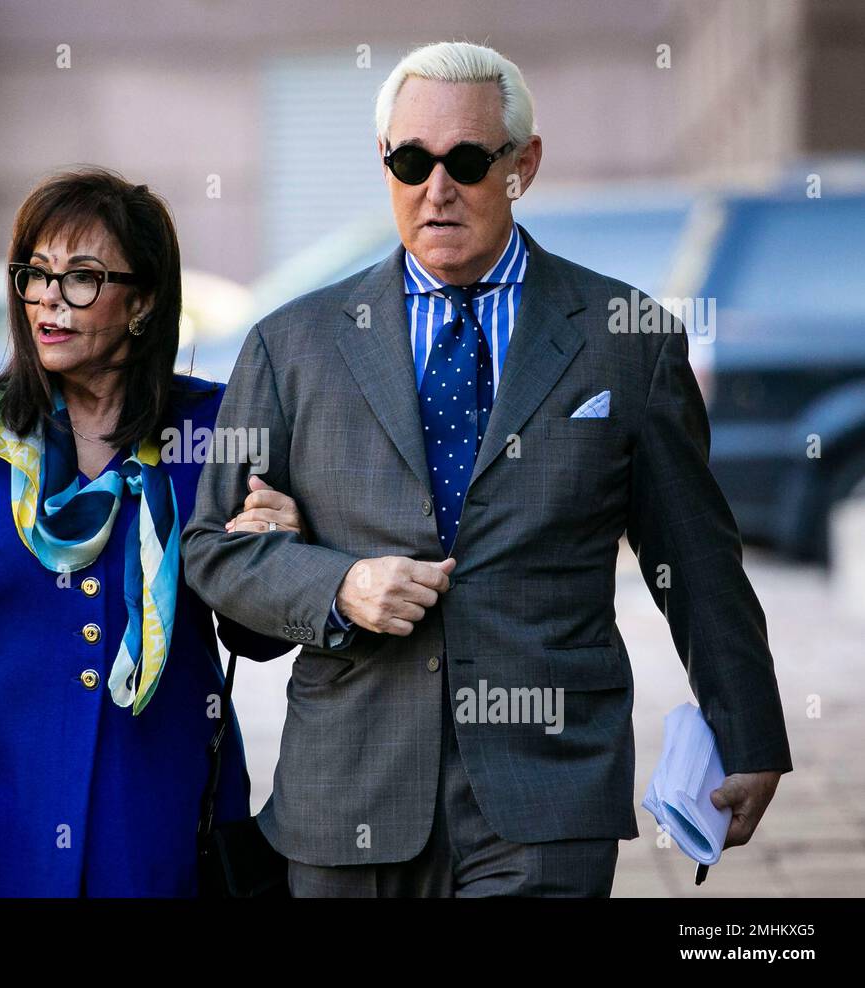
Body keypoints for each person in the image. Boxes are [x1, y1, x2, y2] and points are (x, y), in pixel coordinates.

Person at [182, 41, 792, 897]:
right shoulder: (291, 344)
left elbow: (692, 559)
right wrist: (339, 585)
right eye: (410, 160)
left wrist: (750, 731)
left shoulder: (626, 338)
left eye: (468, 160)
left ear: (523, 165)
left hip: (547, 792)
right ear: (384, 165)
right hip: (347, 793)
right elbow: (211, 548)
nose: (437, 187)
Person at [0, 168, 302, 897]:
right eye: (35, 274)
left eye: (81, 278)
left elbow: (259, 639)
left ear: (142, 302)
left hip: (165, 819)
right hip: (10, 823)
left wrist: (273, 551)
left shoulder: (211, 430)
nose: (49, 298)